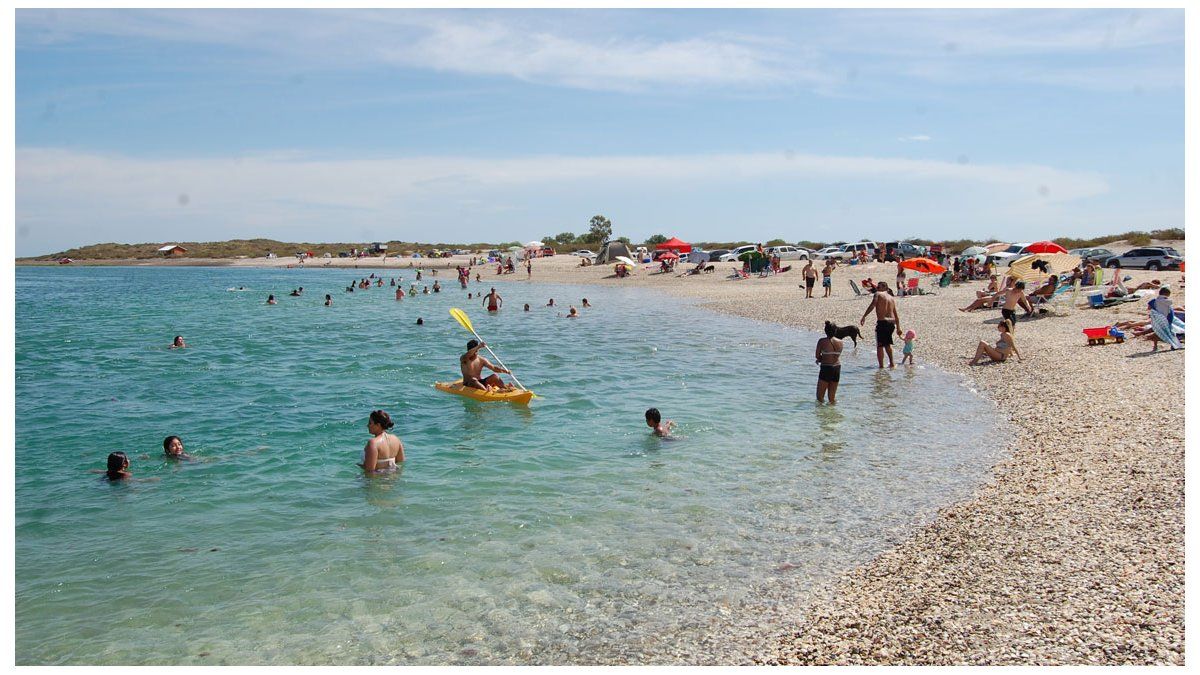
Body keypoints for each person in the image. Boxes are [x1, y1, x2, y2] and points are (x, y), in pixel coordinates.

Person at [859, 281, 902, 368]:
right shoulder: (891, 298)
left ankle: (881, 366)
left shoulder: (878, 294)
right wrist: (898, 328)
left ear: (885, 288)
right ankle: (892, 363)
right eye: (877, 287)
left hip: (883, 322)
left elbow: (872, 305)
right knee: (887, 344)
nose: (877, 289)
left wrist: (864, 316)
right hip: (891, 324)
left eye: (879, 287)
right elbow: (896, 315)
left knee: (880, 345)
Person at [359, 410, 404, 474]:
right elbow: (400, 463)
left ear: (378, 425)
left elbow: (370, 471)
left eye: (370, 423)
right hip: (392, 480)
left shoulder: (373, 443)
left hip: (377, 481)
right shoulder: (396, 439)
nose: (367, 425)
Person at [815, 321, 843, 404]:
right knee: (832, 398)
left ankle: (822, 415)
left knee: (820, 397)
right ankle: (832, 415)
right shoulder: (841, 342)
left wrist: (820, 359)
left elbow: (817, 356)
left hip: (826, 368)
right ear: (835, 331)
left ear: (825, 330)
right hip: (837, 368)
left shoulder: (822, 341)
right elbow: (835, 356)